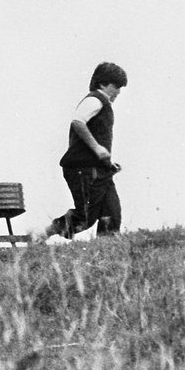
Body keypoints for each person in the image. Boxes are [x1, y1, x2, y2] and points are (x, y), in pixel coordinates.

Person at [41, 62, 128, 241]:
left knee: (112, 213)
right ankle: (43, 233)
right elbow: (78, 122)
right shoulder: (94, 99)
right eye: (116, 86)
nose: (118, 91)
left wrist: (107, 162)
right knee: (85, 217)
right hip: (84, 169)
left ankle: (106, 250)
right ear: (103, 84)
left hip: (99, 169)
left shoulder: (102, 103)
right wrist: (96, 148)